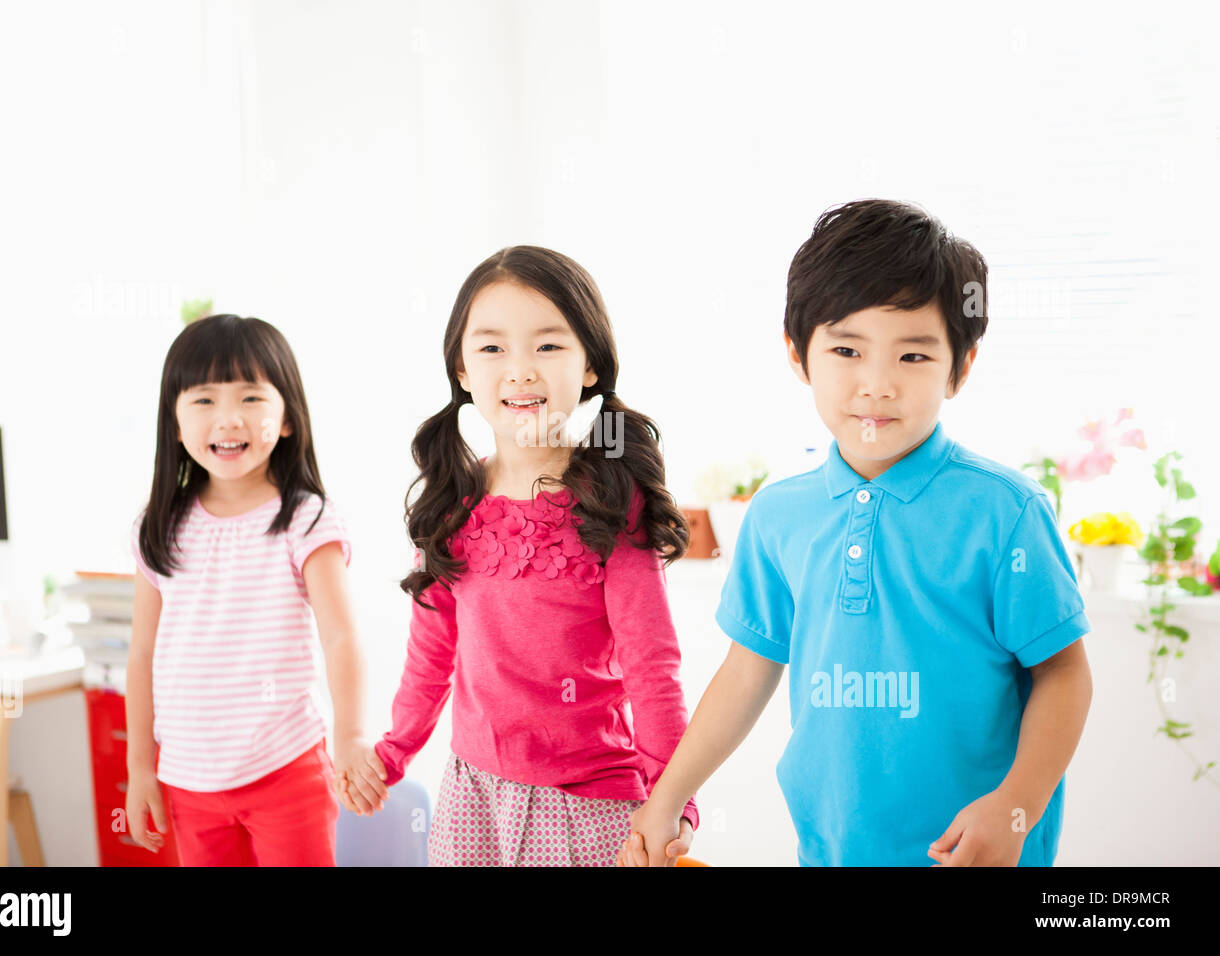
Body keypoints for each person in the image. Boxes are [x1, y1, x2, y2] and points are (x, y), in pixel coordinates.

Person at [623, 199, 1094, 866]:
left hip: (972, 851)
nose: (877, 385)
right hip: (831, 849)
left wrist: (1016, 806)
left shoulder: (1005, 512)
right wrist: (667, 798)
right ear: (798, 353)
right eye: (846, 349)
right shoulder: (777, 515)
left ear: (960, 367)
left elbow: (1065, 677)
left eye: (913, 356)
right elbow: (749, 669)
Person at [341, 245, 699, 866]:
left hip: (587, 801)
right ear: (461, 370)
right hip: (472, 796)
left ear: (590, 365)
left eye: (548, 345)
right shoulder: (452, 501)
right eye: (492, 348)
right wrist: (394, 751)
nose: (520, 370)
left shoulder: (615, 501)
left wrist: (672, 798)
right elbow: (431, 653)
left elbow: (652, 664)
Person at [126, 313, 372, 866]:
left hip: (286, 768)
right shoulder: (158, 526)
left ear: (287, 418)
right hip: (188, 777)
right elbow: (140, 654)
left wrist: (353, 735)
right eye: (205, 400)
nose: (228, 418)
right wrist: (140, 767)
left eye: (251, 398)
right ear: (175, 421)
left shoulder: (306, 519)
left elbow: (341, 638)